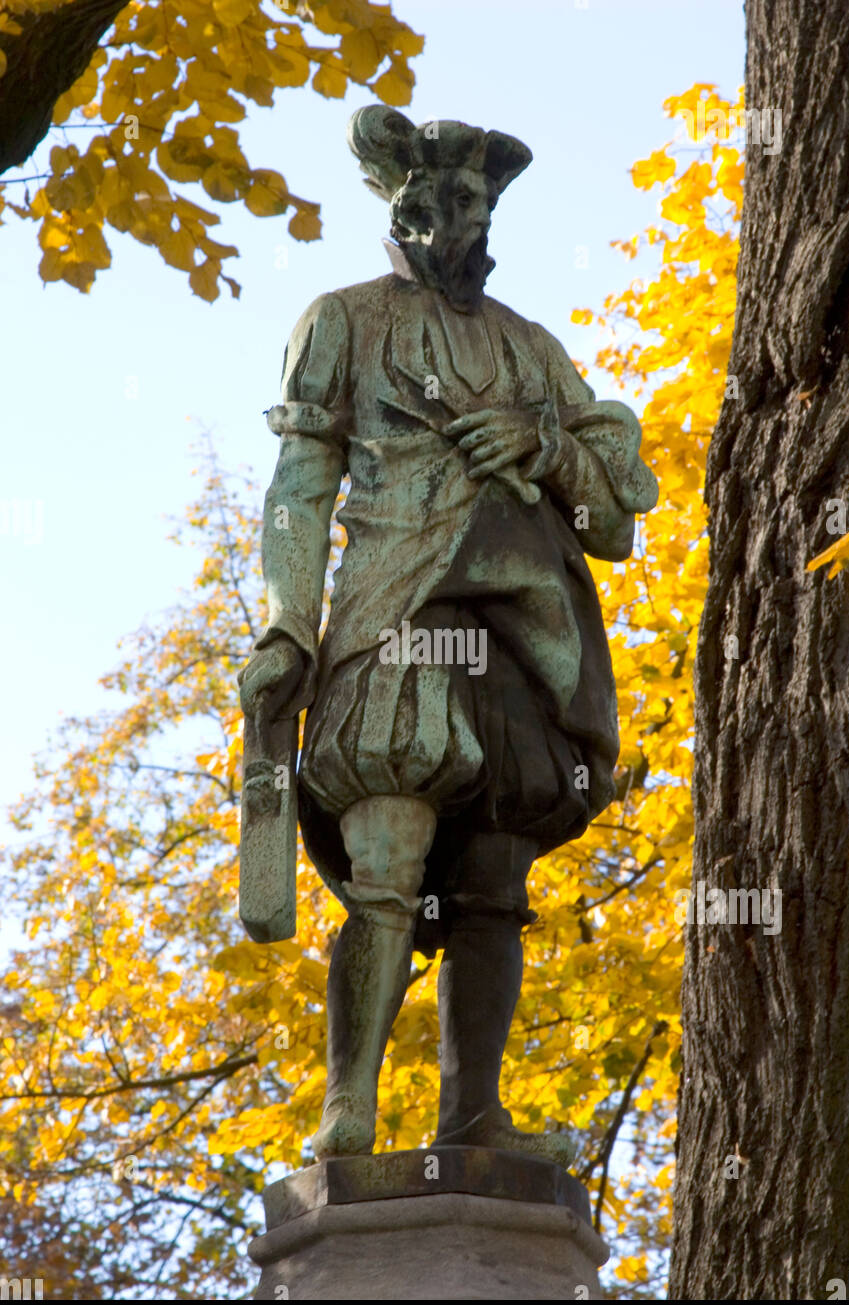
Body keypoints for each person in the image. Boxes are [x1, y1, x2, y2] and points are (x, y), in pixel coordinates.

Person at [238, 107, 658, 1167]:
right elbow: (298, 489)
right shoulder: (341, 320)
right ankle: (349, 1109)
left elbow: (611, 520)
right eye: (417, 198)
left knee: (491, 882)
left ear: (489, 207)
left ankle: (473, 1117)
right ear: (395, 205)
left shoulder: (531, 349)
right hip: (391, 616)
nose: (437, 216)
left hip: (519, 634)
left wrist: (546, 443)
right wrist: (287, 620)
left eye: (461, 196)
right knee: (386, 858)